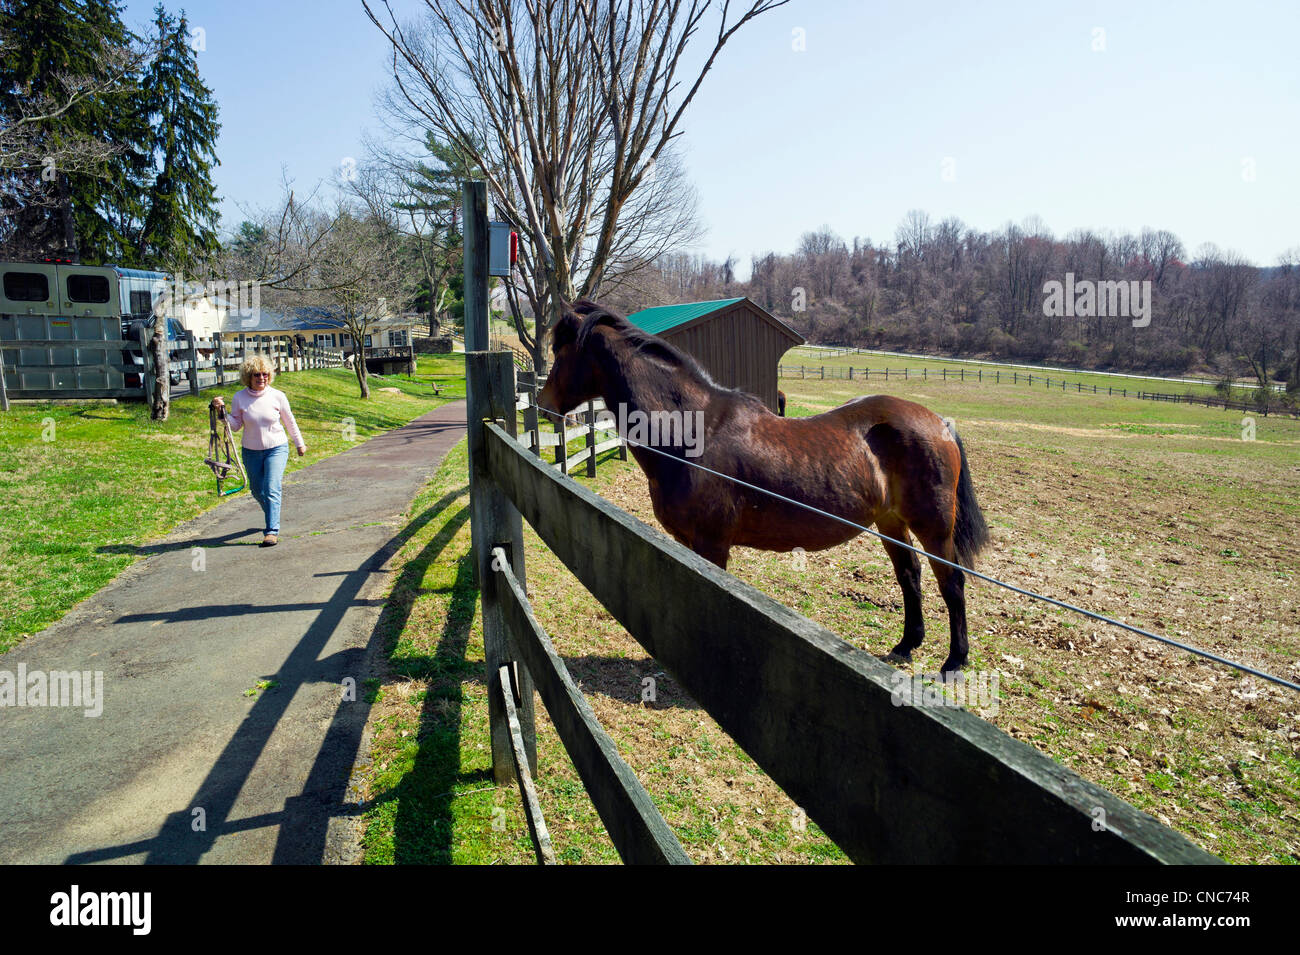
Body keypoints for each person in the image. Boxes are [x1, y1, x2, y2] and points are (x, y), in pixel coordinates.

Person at [210, 355, 307, 546]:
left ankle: (271, 531)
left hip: (276, 449)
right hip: (251, 451)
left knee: (272, 487)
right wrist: (222, 413)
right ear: (248, 376)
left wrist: (299, 443)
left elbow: (290, 422)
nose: (261, 378)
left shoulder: (277, 396)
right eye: (256, 375)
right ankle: (273, 511)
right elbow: (235, 425)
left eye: (264, 374)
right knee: (256, 490)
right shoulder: (239, 397)